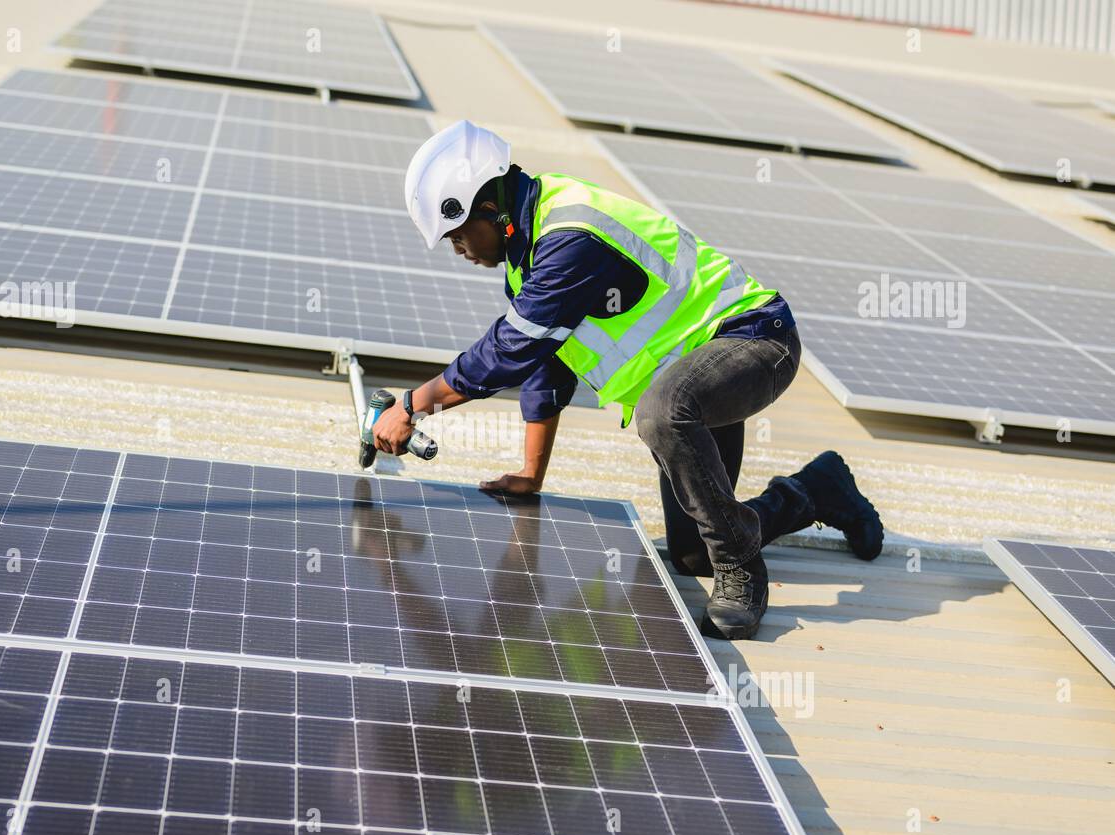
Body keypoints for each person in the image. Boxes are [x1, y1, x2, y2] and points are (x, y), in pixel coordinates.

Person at [373, 120, 882, 640]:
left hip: (754, 342)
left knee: (661, 412)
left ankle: (743, 571)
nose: (459, 249)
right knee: (688, 552)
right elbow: (546, 364)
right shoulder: (525, 263)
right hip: (695, 382)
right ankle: (816, 490)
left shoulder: (570, 237)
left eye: (458, 235)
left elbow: (509, 351)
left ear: (491, 211)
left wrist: (412, 405)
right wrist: (531, 473)